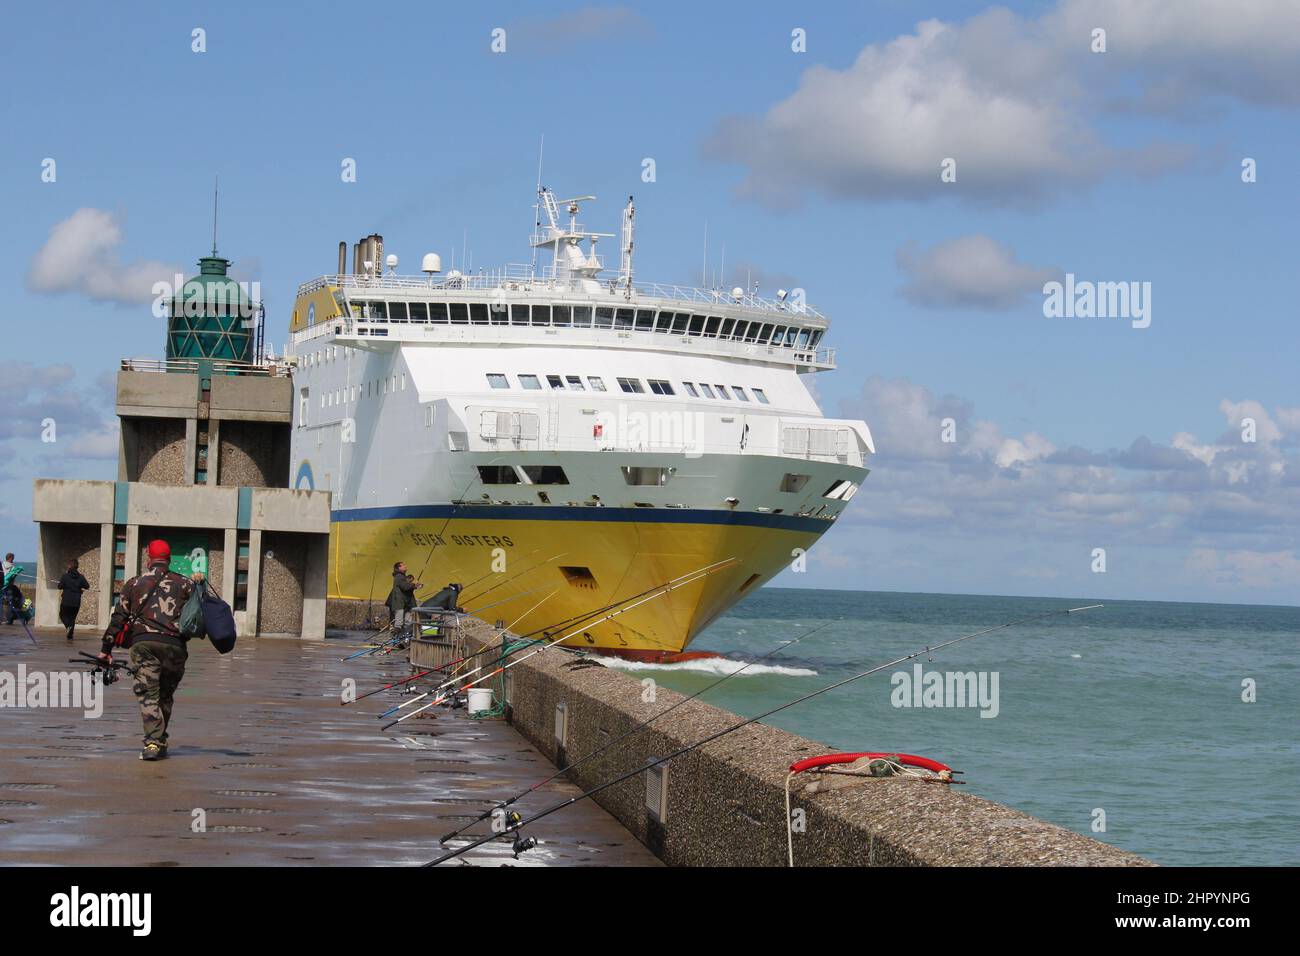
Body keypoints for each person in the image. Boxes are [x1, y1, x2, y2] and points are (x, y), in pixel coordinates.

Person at [98, 539, 204, 761]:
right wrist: (200, 582)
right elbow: (200, 611)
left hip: (144, 645)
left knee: (149, 695)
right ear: (169, 558)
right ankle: (160, 739)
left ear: (149, 558)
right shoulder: (185, 584)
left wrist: (105, 649)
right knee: (164, 696)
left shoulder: (135, 583)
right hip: (175, 647)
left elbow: (119, 618)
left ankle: (154, 742)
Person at [57, 559, 91, 641]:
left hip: (66, 601)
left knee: (62, 615)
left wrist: (63, 583)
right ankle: (70, 636)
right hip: (76, 601)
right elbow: (87, 586)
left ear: (69, 566)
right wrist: (80, 589)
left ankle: (68, 627)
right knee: (72, 618)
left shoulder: (65, 576)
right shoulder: (81, 577)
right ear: (77, 567)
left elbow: (59, 586)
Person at [384, 561, 422, 632]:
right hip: (400, 604)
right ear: (399, 568)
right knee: (399, 623)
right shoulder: (399, 576)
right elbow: (404, 586)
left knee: (407, 622)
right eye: (403, 565)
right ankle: (397, 638)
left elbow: (406, 587)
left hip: (406, 604)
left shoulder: (401, 576)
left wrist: (414, 586)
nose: (405, 566)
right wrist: (414, 585)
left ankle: (405, 637)